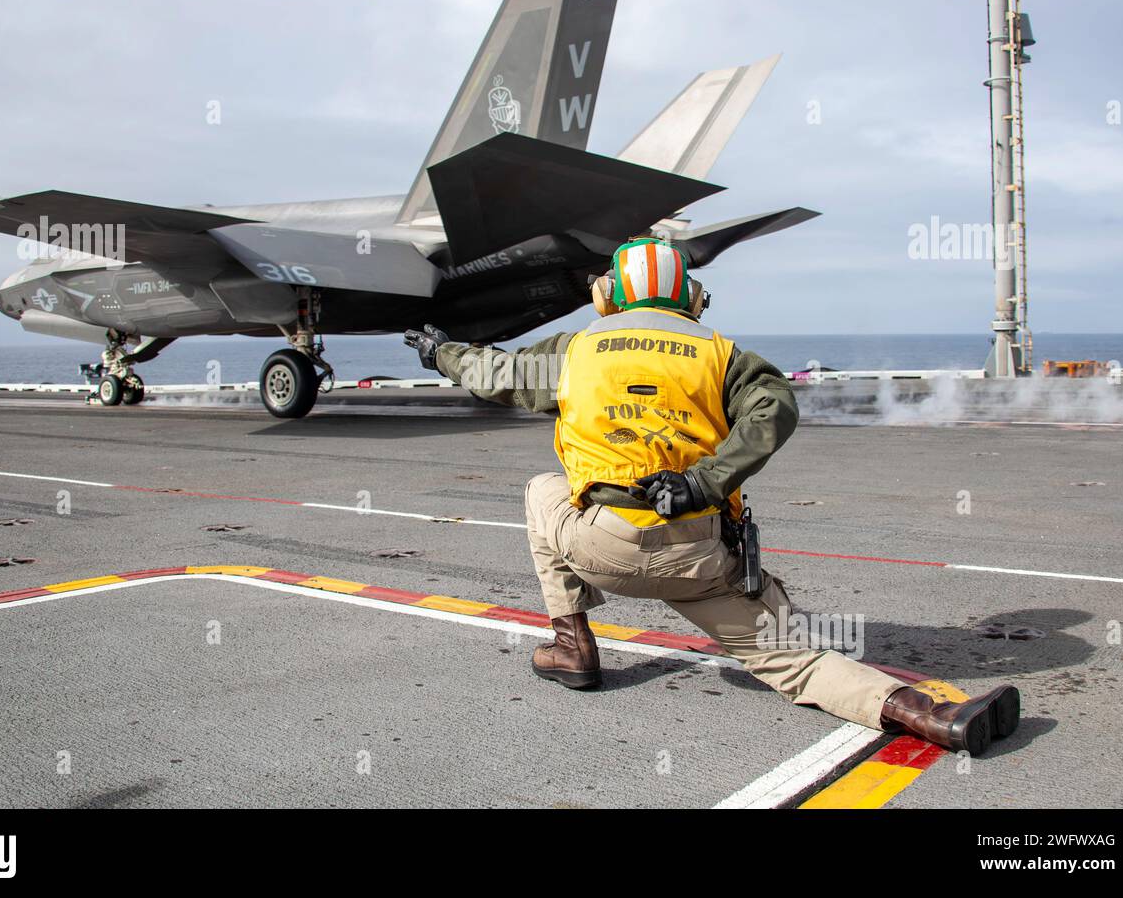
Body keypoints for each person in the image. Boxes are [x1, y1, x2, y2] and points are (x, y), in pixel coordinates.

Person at [406, 237, 1019, 755]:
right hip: (698, 554)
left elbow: (494, 373)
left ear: (607, 295)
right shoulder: (724, 356)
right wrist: (703, 482)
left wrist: (442, 353)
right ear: (692, 298)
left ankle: (573, 645)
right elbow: (775, 410)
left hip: (600, 544)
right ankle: (935, 717)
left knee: (542, 489)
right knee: (796, 661)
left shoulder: (574, 351)